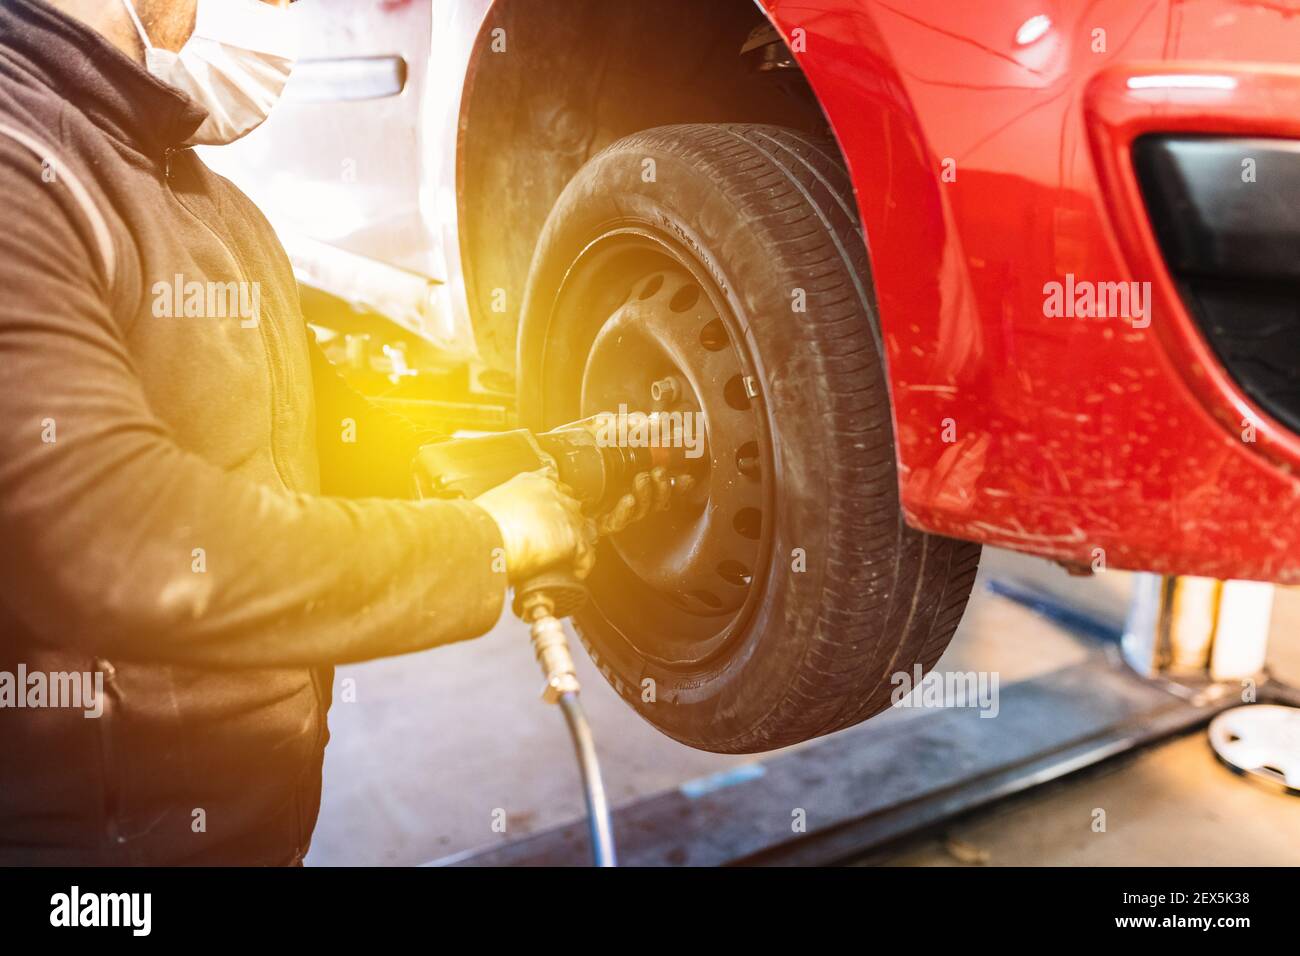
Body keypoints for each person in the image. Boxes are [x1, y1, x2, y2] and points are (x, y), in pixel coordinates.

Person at [0, 0, 663, 865]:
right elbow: (121, 543)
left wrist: (549, 464)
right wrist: (484, 544)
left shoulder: (207, 199)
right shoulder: (23, 169)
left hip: (254, 826)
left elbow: (315, 441)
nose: (281, 15)